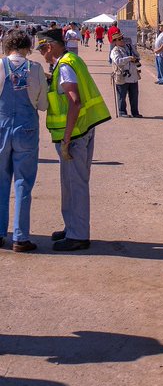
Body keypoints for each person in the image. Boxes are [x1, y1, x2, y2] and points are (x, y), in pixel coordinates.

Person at [35, 28, 111, 251]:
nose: (42, 54)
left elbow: (74, 102)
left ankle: (78, 234)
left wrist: (66, 140)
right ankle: (71, 227)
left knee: (75, 184)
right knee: (69, 184)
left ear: (49, 47)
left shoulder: (65, 66)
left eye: (42, 50)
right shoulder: (71, 60)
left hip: (74, 134)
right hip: (81, 130)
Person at [1, 30, 49, 252]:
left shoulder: (0, 66)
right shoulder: (35, 68)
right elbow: (42, 104)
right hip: (26, 128)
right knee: (23, 182)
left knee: (1, 181)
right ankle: (20, 237)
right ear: (27, 46)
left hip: (1, 128)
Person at [109, 30, 141, 118]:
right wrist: (129, 58)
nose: (122, 40)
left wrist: (135, 58)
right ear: (115, 42)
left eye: (122, 38)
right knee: (121, 96)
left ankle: (135, 112)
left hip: (133, 75)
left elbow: (138, 55)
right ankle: (122, 112)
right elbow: (118, 61)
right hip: (122, 76)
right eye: (119, 39)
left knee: (134, 95)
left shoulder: (129, 47)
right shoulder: (114, 51)